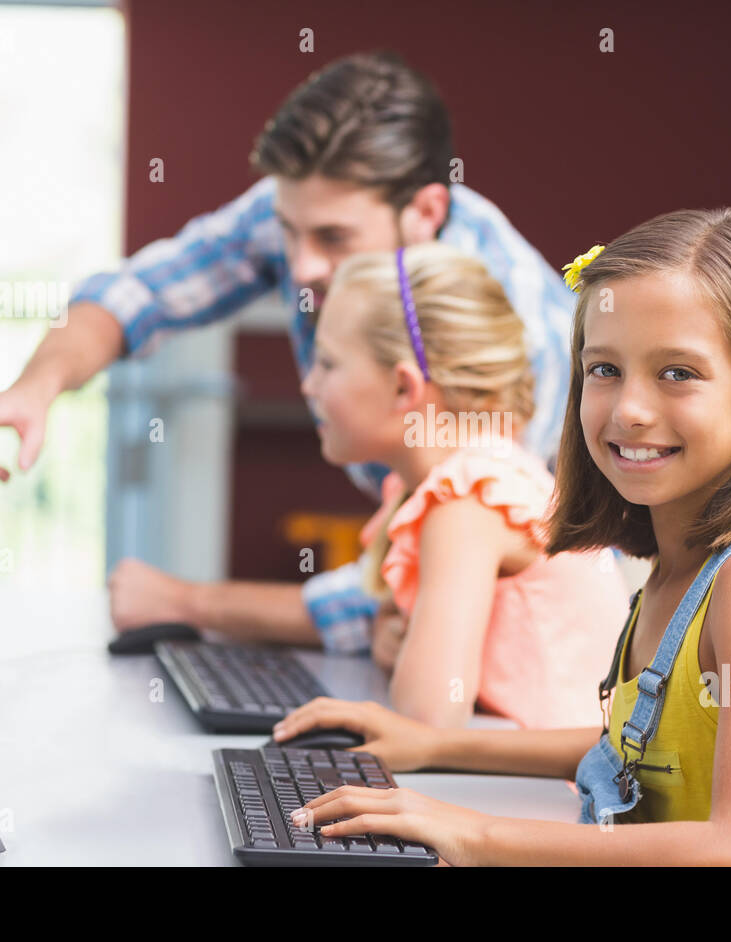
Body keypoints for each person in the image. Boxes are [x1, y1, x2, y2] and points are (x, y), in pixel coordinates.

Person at [270, 208, 731, 866]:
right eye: (604, 369)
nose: (630, 409)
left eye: (677, 373)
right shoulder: (678, 565)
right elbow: (636, 749)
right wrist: (434, 747)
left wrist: (473, 833)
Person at [0, 50, 576, 655]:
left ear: (426, 211)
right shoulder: (306, 209)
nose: (301, 266)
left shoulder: (510, 332)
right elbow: (136, 294)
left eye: (333, 238)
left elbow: (441, 587)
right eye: (289, 230)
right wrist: (37, 387)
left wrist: (189, 602)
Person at [118, 243, 629, 729]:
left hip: (556, 805)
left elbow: (427, 720)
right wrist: (392, 643)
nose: (308, 384)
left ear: (404, 386)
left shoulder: (469, 501)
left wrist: (403, 655)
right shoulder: (478, 479)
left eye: (329, 364)